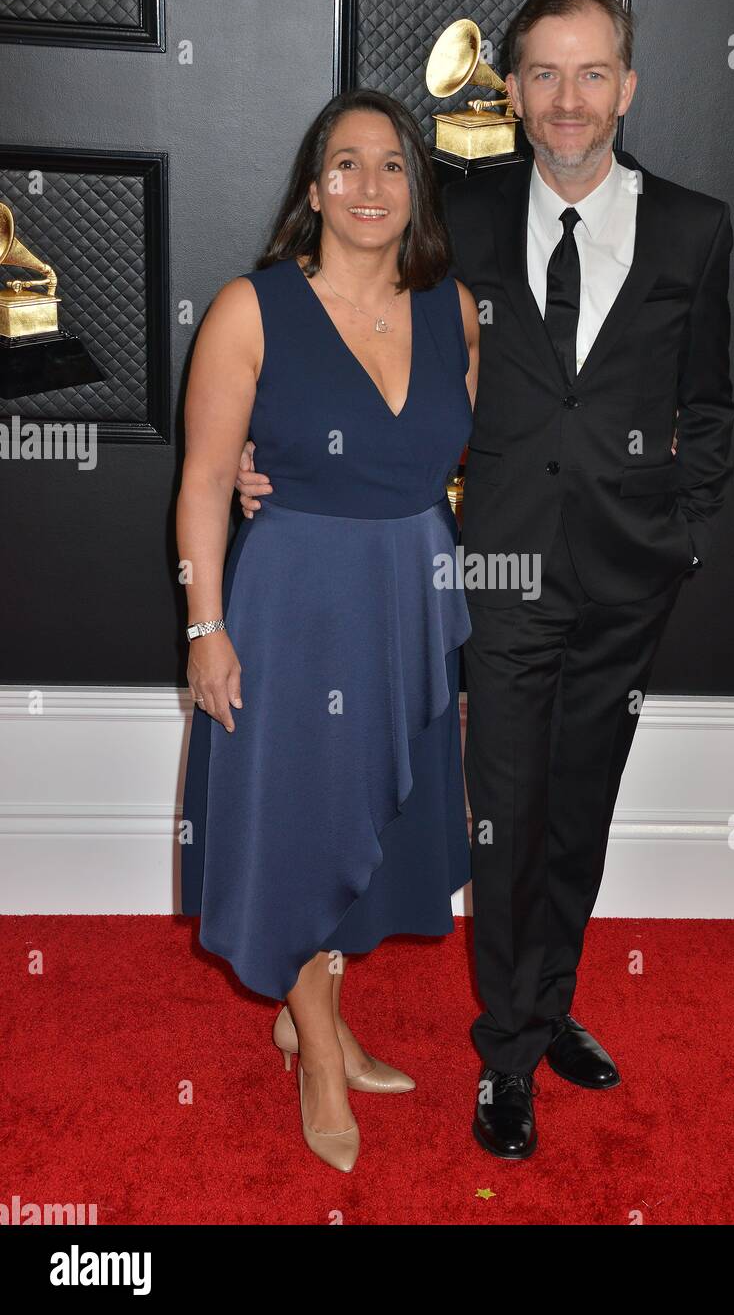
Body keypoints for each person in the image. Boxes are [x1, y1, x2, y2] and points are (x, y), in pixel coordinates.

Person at [237, 0, 734, 1161]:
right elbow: (346, 319)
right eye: (545, 76)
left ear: (628, 87)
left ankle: (549, 1002)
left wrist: (686, 533)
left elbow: (708, 404)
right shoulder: (453, 207)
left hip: (629, 575)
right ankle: (505, 1053)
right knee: (504, 817)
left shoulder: (694, 226)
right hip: (496, 572)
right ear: (510, 92)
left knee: (578, 811)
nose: (569, 100)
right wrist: (270, 452)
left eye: (593, 73)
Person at [177, 89, 479, 1173]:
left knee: (369, 819)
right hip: (295, 603)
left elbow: (447, 465)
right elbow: (206, 479)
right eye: (343, 164)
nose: (367, 184)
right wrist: (206, 625)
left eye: (391, 165)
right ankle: (315, 1054)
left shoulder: (454, 309)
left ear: (416, 189)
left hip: (406, 597)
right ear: (313, 189)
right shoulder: (249, 310)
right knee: (302, 822)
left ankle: (318, 1013)